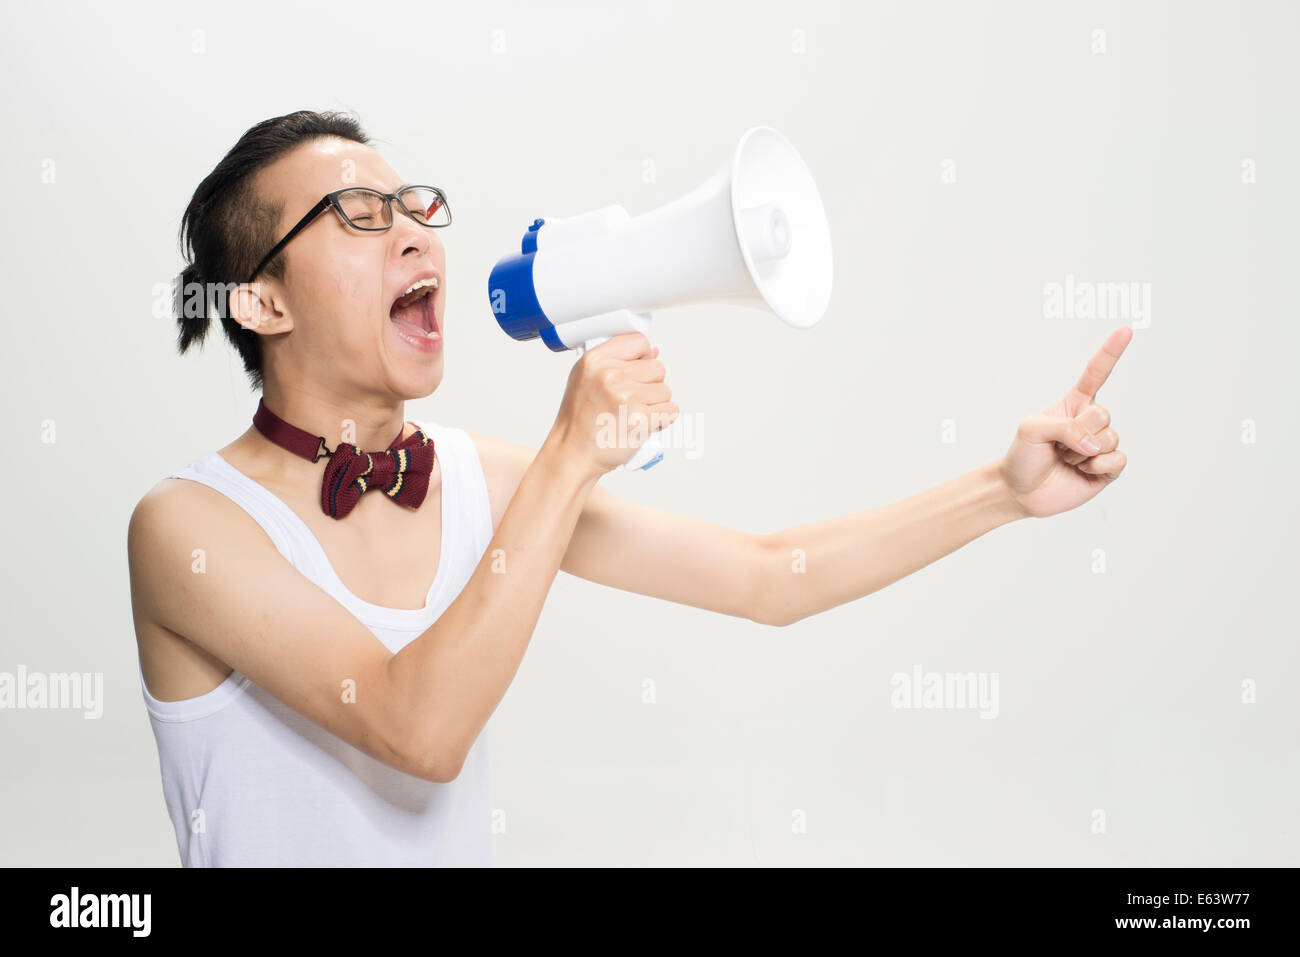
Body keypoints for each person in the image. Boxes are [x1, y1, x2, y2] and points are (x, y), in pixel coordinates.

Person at [127, 110, 1132, 867]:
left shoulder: (483, 481)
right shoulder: (188, 528)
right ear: (258, 298)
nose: (413, 235)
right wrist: (569, 454)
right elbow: (416, 732)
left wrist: (1000, 491)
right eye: (355, 214)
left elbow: (765, 579)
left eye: (414, 209)